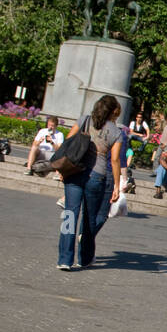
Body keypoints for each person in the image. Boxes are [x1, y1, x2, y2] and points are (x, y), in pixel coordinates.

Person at [57, 95, 122, 270]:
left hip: (75, 171)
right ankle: (84, 258)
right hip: (96, 176)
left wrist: (63, 169)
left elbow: (68, 142)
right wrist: (117, 185)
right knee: (89, 219)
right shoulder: (116, 132)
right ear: (113, 112)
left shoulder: (85, 120)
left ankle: (64, 259)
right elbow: (115, 160)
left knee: (70, 214)